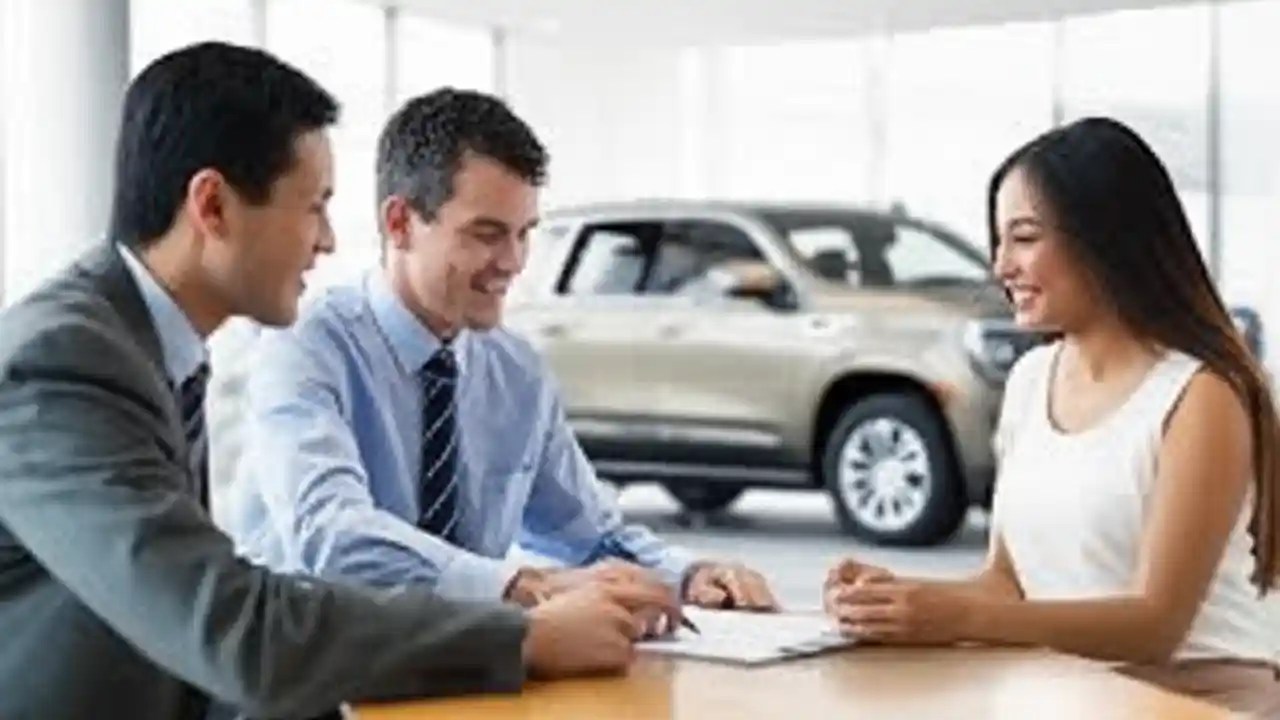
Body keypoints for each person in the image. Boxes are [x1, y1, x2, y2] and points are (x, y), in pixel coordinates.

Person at [0, 42, 675, 720]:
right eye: (313, 207)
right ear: (213, 207)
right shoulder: (64, 363)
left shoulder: (150, 348)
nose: (325, 241)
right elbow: (239, 631)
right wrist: (522, 635)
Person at [221, 88, 778, 612]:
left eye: (524, 233)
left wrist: (687, 575)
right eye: (486, 234)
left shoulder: (515, 372)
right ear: (400, 223)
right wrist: (521, 585)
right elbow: (330, 535)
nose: (513, 262)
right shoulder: (304, 347)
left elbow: (589, 536)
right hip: (313, 666)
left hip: (460, 662)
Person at [822, 117, 1280, 716]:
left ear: (1106, 239)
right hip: (1065, 694)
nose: (1001, 266)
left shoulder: (1201, 394)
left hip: (1197, 698)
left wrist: (954, 616)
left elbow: (1155, 624)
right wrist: (896, 602)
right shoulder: (1030, 381)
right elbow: (1008, 585)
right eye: (999, 242)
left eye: (1025, 238)